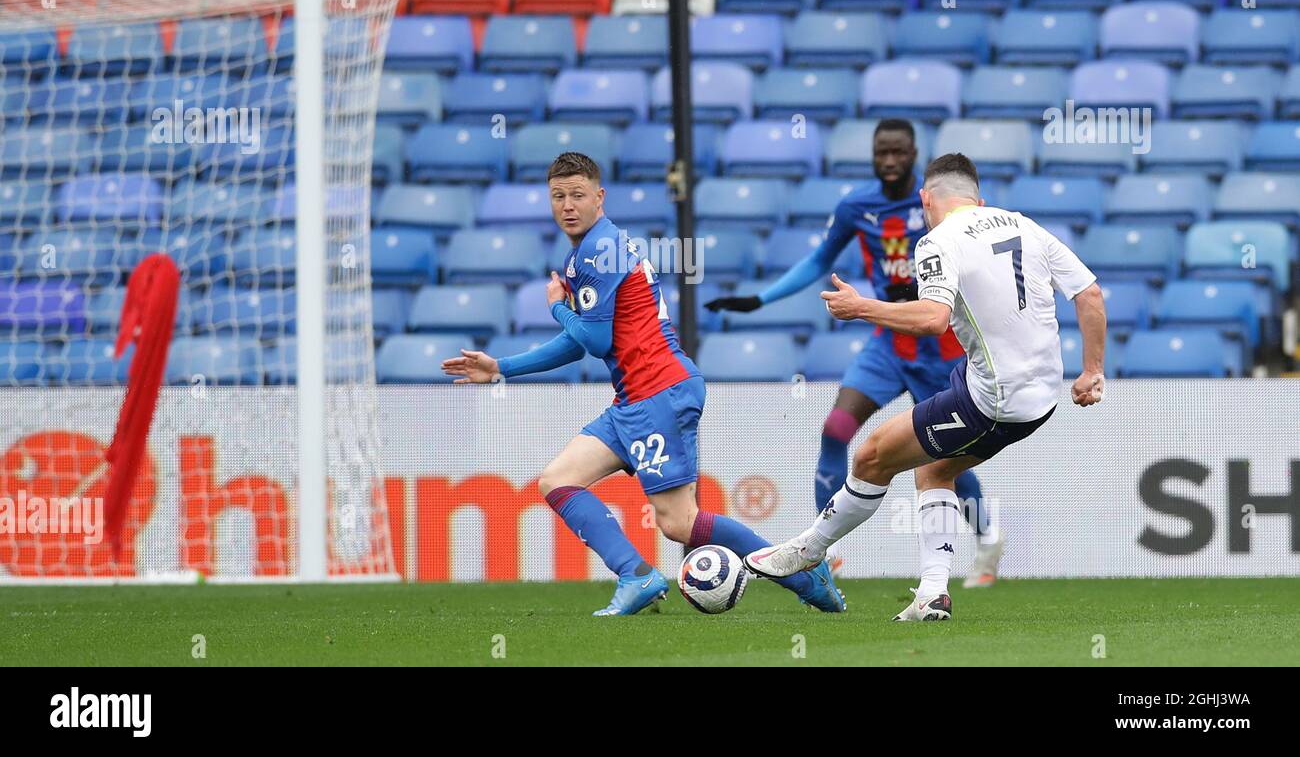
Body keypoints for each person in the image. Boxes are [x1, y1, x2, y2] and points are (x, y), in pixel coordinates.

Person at [443, 152, 846, 616]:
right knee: (558, 480)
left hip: (659, 392)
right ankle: (636, 575)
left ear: (600, 197)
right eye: (558, 196)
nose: (568, 205)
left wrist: (556, 304)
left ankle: (802, 572)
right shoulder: (594, 249)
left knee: (679, 523)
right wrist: (501, 367)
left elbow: (591, 340)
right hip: (636, 398)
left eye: (578, 195)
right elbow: (581, 343)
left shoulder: (599, 249)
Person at [743, 153, 1107, 621]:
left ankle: (806, 551)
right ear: (980, 199)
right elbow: (1090, 294)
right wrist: (1091, 370)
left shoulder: (938, 241)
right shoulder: (1024, 225)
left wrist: (861, 307)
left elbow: (933, 318)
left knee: (871, 456)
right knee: (934, 472)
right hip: (1042, 398)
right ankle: (933, 594)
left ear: (925, 199)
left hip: (992, 400)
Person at [706, 119, 1006, 587]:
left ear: (914, 154)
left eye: (899, 153)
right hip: (888, 343)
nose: (889, 162)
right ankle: (821, 551)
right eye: (881, 153)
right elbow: (820, 262)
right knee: (836, 428)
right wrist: (759, 299)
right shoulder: (856, 207)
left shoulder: (937, 204)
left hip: (941, 349)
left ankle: (987, 538)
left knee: (946, 457)